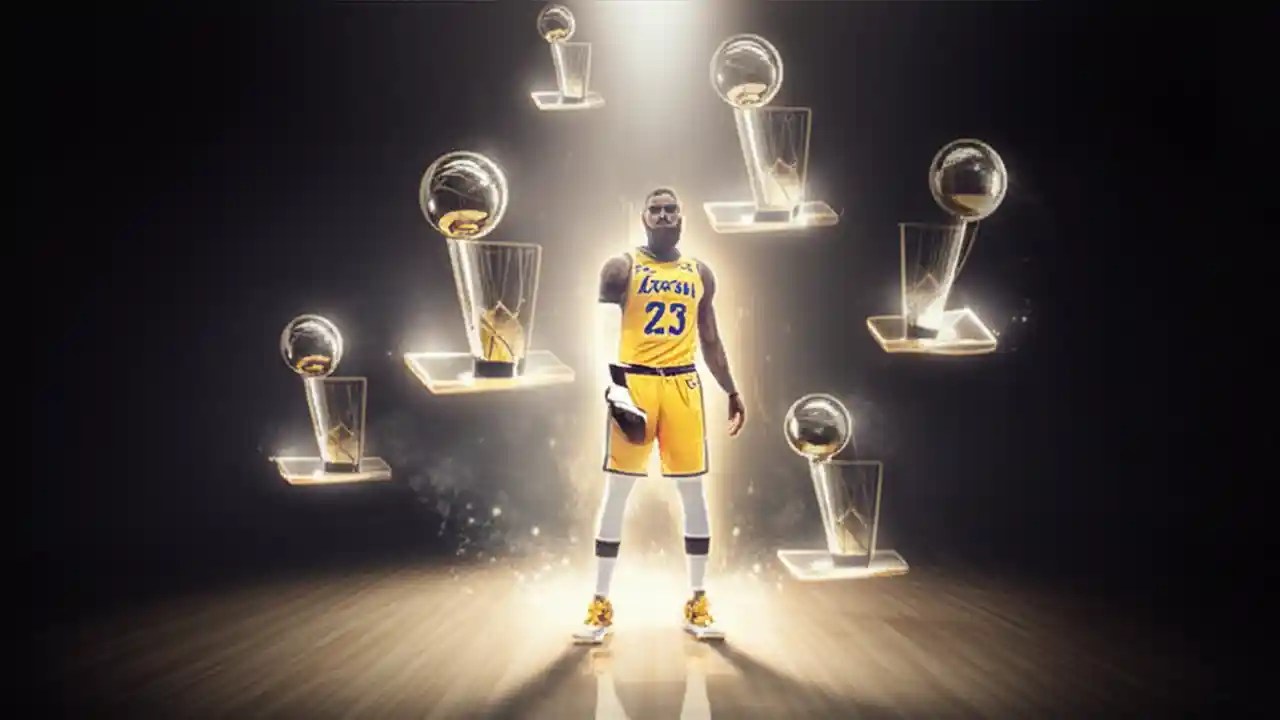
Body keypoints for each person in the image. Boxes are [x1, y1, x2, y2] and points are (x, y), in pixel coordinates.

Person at [574, 187, 746, 643]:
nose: (665, 214)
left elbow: (710, 339)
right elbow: (602, 336)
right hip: (636, 381)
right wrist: (615, 391)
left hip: (683, 385)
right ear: (644, 218)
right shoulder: (621, 267)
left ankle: (698, 602)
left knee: (693, 494)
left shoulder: (699, 273)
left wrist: (730, 388)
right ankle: (599, 604)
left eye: (671, 209)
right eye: (656, 209)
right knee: (617, 493)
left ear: (682, 218)